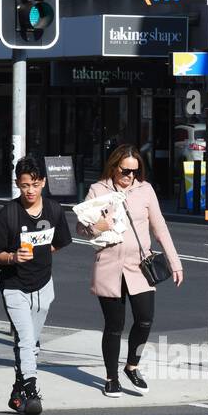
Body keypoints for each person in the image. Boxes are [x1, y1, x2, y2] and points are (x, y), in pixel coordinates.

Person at [76, 144, 184, 398]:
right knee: (114, 325)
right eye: (125, 171)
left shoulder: (145, 190)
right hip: (109, 265)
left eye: (134, 172)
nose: (129, 176)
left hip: (139, 266)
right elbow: (81, 228)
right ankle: (111, 378)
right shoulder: (98, 190)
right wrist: (97, 227)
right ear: (114, 167)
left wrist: (175, 262)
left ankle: (132, 366)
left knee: (145, 319)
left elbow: (160, 228)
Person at [0, 156, 72, 415]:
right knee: (25, 339)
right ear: (17, 184)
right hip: (14, 285)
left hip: (44, 284)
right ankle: (32, 393)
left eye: (35, 185)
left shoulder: (54, 210)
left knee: (32, 344)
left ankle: (17, 391)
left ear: (43, 183)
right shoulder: (7, 215)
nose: (30, 190)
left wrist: (42, 252)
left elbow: (59, 241)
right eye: (25, 185)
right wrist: (14, 257)